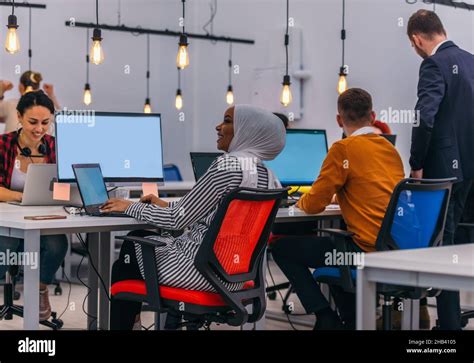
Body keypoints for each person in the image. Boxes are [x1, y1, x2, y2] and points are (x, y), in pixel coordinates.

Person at [100, 105, 286, 330]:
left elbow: (176, 221)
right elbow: (216, 217)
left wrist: (129, 207)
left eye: (227, 121)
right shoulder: (269, 176)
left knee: (132, 244)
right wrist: (168, 205)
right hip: (234, 279)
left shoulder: (227, 165)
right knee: (138, 250)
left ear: (247, 130)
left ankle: (130, 323)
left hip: (198, 273)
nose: (218, 127)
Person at [272, 88, 405, 330]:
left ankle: (325, 316)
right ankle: (350, 321)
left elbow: (313, 205)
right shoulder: (390, 150)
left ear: (338, 119)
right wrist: (343, 197)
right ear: (373, 116)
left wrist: (299, 199)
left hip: (363, 251)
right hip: (394, 247)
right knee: (334, 251)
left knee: (281, 248)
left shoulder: (342, 148)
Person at [407, 9, 474, 330]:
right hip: (470, 171)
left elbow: (424, 116)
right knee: (461, 241)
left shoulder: (433, 64)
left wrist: (416, 164)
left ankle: (449, 325)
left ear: (417, 39)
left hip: (444, 171)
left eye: (413, 45)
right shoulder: (472, 61)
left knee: (441, 245)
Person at [0, 90, 68, 321]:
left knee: (58, 243)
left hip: (45, 216)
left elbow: (68, 184)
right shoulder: (4, 144)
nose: (39, 129)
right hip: (9, 218)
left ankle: (39, 288)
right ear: (19, 117)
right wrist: (23, 196)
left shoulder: (55, 146)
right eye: (32, 122)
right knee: (7, 245)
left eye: (45, 123)